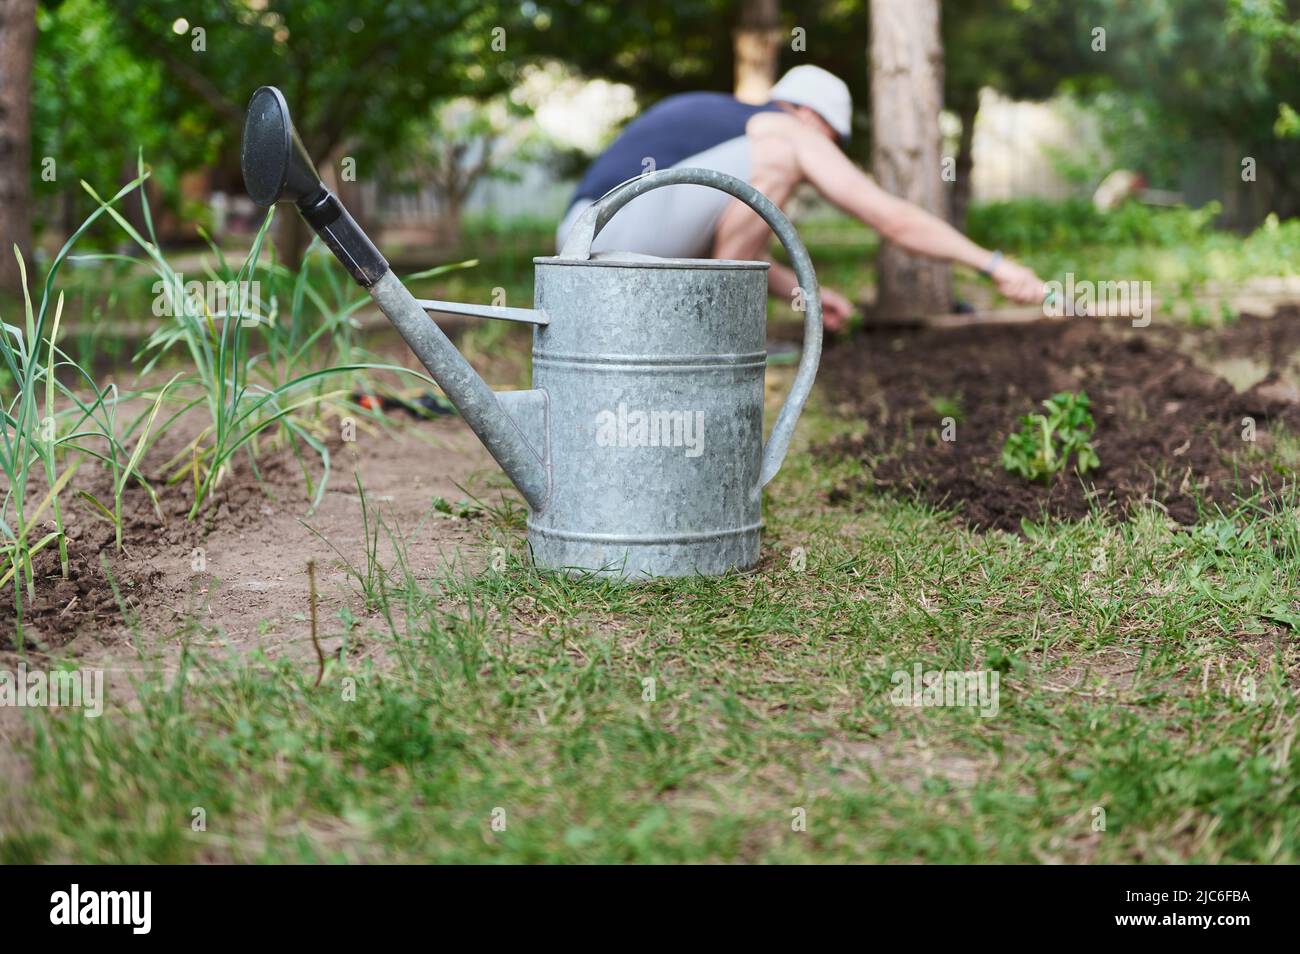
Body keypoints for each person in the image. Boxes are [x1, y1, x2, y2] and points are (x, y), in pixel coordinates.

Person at [557, 65, 1046, 331]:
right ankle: (722, 337)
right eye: (831, 141)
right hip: (609, 237)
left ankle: (707, 333)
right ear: (813, 118)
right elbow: (890, 218)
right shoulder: (785, 132)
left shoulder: (731, 132)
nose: (826, 155)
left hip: (585, 245)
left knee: (761, 180)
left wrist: (806, 293)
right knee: (783, 162)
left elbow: (714, 234)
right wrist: (993, 264)